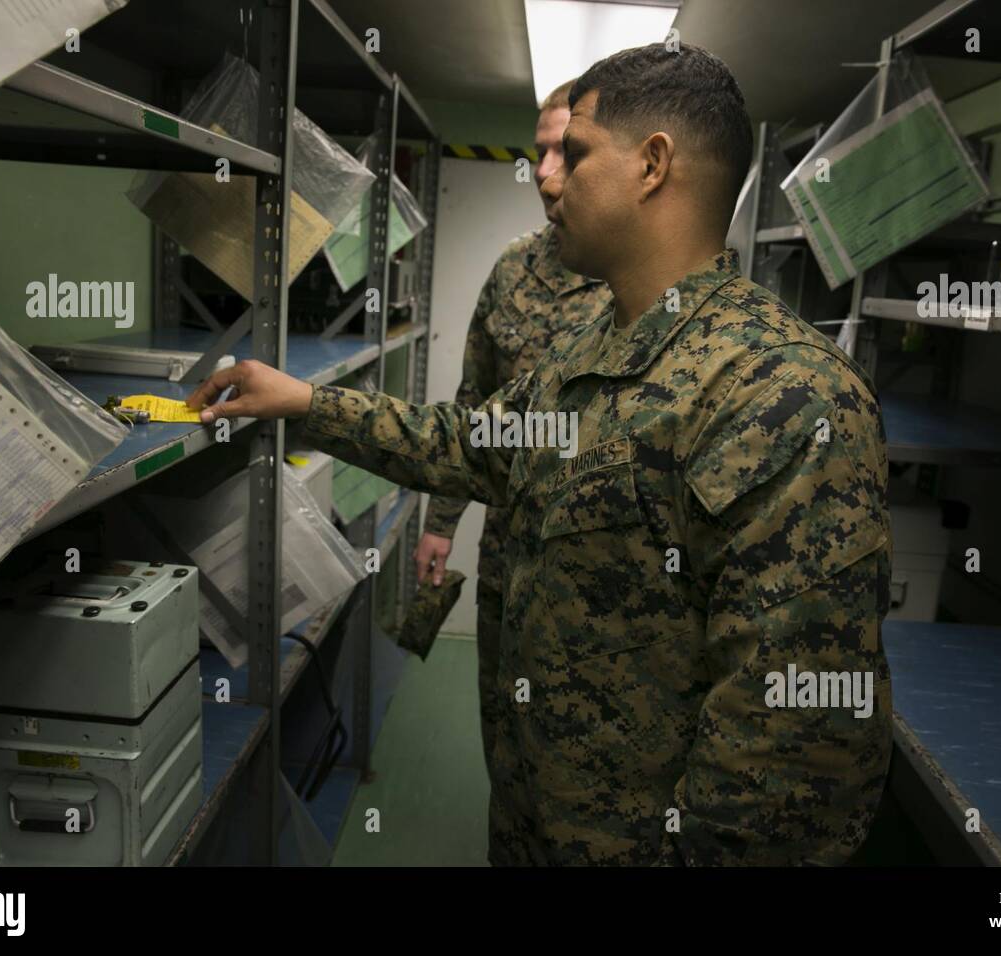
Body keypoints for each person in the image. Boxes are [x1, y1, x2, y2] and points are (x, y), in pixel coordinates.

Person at [189, 42, 893, 866]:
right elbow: (469, 441)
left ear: (652, 165)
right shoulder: (592, 347)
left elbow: (789, 755)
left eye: (576, 153)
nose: (547, 178)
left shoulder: (786, 393)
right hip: (534, 818)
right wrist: (306, 403)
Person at [413, 79, 612, 859]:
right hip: (508, 556)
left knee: (586, 769)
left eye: (568, 151)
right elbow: (472, 408)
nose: (546, 171)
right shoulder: (513, 270)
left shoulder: (635, 281)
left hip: (597, 576)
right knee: (506, 738)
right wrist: (440, 525)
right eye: (539, 152)